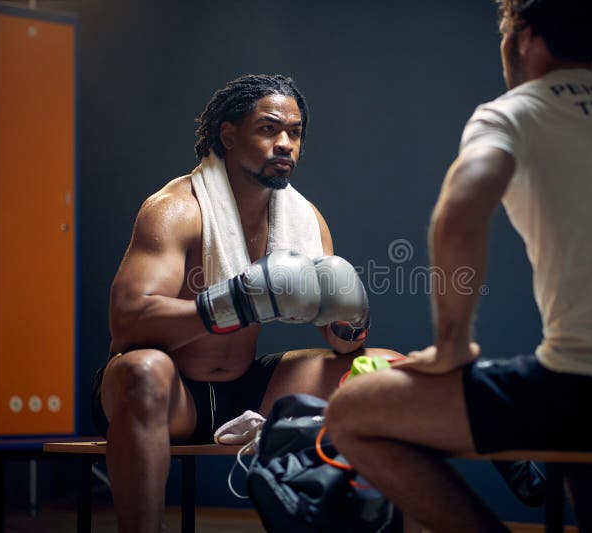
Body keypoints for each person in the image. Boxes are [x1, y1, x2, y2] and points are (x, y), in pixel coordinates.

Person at [325, 0, 592, 531]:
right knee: (582, 391)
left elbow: (459, 215)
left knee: (351, 412)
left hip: (586, 400)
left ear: (521, 37)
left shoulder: (512, 112)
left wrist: (452, 348)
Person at [91, 74, 395, 533]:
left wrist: (352, 321)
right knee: (143, 370)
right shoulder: (177, 209)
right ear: (228, 136)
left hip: (245, 389)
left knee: (384, 369)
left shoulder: (305, 220)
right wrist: (234, 302)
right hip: (167, 394)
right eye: (268, 129)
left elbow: (344, 347)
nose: (285, 144)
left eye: (294, 132)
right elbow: (127, 324)